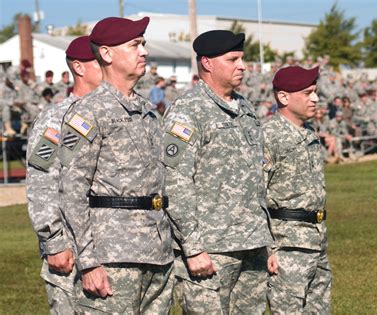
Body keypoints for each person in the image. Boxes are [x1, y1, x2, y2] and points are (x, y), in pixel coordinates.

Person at [58, 16, 174, 314]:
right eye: (135, 45)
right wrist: (88, 261)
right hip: (113, 255)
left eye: (144, 44)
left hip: (158, 253)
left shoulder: (148, 112)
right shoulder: (88, 112)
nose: (144, 51)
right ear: (107, 54)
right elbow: (72, 190)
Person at [163, 29, 274, 314]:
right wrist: (193, 247)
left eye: (242, 58)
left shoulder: (245, 108)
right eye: (233, 59)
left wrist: (268, 241)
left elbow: (257, 178)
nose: (242, 65)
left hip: (252, 243)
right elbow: (174, 181)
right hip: (211, 248)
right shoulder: (187, 111)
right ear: (207, 63)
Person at [26, 35, 102, 314]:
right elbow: (41, 180)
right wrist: (53, 242)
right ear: (79, 68)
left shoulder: (110, 113)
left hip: (107, 243)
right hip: (69, 248)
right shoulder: (56, 119)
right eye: (99, 61)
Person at [264, 65, 332, 314]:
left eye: (315, 92)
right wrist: (268, 249)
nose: (315, 98)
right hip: (287, 247)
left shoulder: (309, 133)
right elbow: (256, 196)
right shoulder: (269, 136)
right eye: (307, 93)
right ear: (283, 97)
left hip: (316, 241)